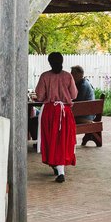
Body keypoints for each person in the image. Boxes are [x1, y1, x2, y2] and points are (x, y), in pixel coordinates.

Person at [34, 52, 78, 182]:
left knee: (51, 140)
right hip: (65, 111)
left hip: (50, 112)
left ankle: (58, 168)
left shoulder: (45, 76)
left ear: (49, 62)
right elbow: (74, 95)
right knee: (63, 140)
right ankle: (59, 168)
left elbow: (40, 96)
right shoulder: (68, 76)